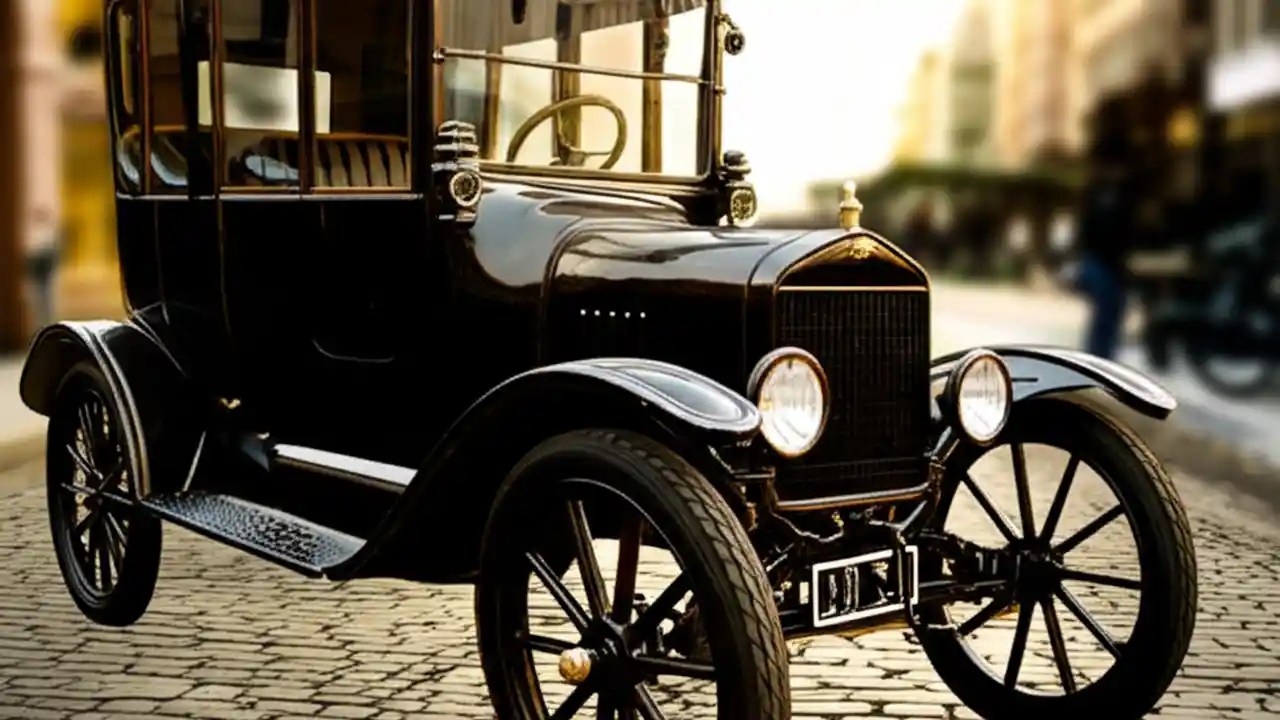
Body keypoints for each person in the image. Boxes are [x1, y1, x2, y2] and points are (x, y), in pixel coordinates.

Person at [1074, 131, 1139, 360]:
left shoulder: (1110, 192)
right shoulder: (1107, 194)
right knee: (1106, 319)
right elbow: (1104, 232)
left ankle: (1099, 362)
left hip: (1106, 263)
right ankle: (1098, 363)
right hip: (1104, 263)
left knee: (1107, 320)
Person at [24, 208, 61, 331]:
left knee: (46, 299)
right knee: (38, 299)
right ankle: (41, 325)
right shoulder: (35, 234)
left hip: (44, 271)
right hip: (38, 271)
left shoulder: (47, 234)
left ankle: (46, 324)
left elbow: (51, 254)